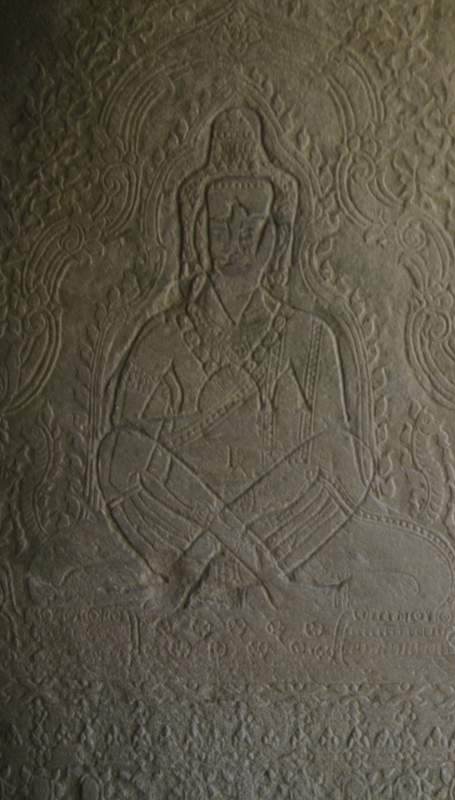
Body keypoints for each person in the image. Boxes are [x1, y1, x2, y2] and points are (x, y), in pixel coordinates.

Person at [99, 108, 371, 609]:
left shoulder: (307, 336)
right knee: (121, 450)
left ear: (277, 235)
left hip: (277, 505)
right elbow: (123, 446)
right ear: (198, 229)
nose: (236, 235)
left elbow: (334, 447)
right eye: (222, 222)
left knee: (341, 452)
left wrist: (267, 429)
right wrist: (201, 427)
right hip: (184, 502)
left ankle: (223, 564)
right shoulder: (166, 334)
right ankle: (256, 573)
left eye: (250, 222)